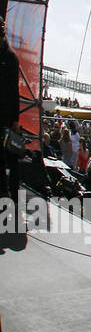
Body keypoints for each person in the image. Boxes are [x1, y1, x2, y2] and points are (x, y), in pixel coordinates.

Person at [0, 16, 22, 206]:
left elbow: (14, 92)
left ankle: (9, 199)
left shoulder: (9, 57)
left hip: (4, 118)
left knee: (5, 161)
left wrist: (15, 120)